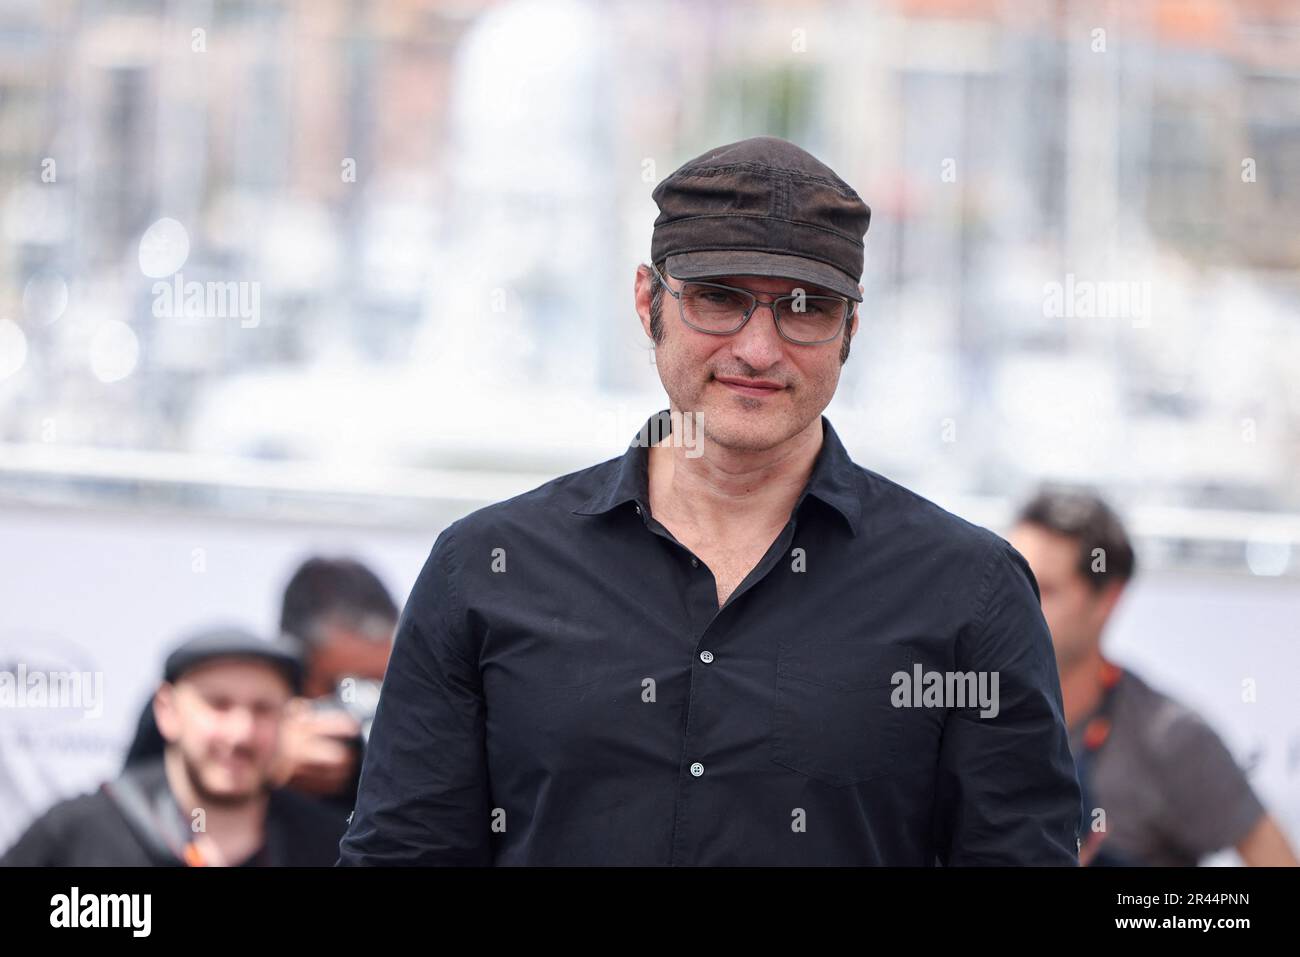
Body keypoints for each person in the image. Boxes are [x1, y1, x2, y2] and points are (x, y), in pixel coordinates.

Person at [338, 136, 1081, 865]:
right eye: (718, 299)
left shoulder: (968, 591)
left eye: (804, 307)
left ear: (850, 328)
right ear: (646, 300)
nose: (758, 349)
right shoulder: (485, 569)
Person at [1010, 488, 1299, 866]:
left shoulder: (1170, 738)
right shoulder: (965, 713)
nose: (1020, 604)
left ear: (1107, 600)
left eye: (1046, 590)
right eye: (1011, 582)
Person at [2, 627, 346, 866]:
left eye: (263, 709)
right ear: (167, 710)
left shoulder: (330, 846)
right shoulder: (79, 831)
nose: (241, 733)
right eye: (218, 705)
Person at [123, 556, 397, 817]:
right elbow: (132, 807)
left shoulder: (399, 727)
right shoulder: (199, 698)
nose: (367, 703)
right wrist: (259, 762)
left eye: (381, 684)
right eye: (345, 686)